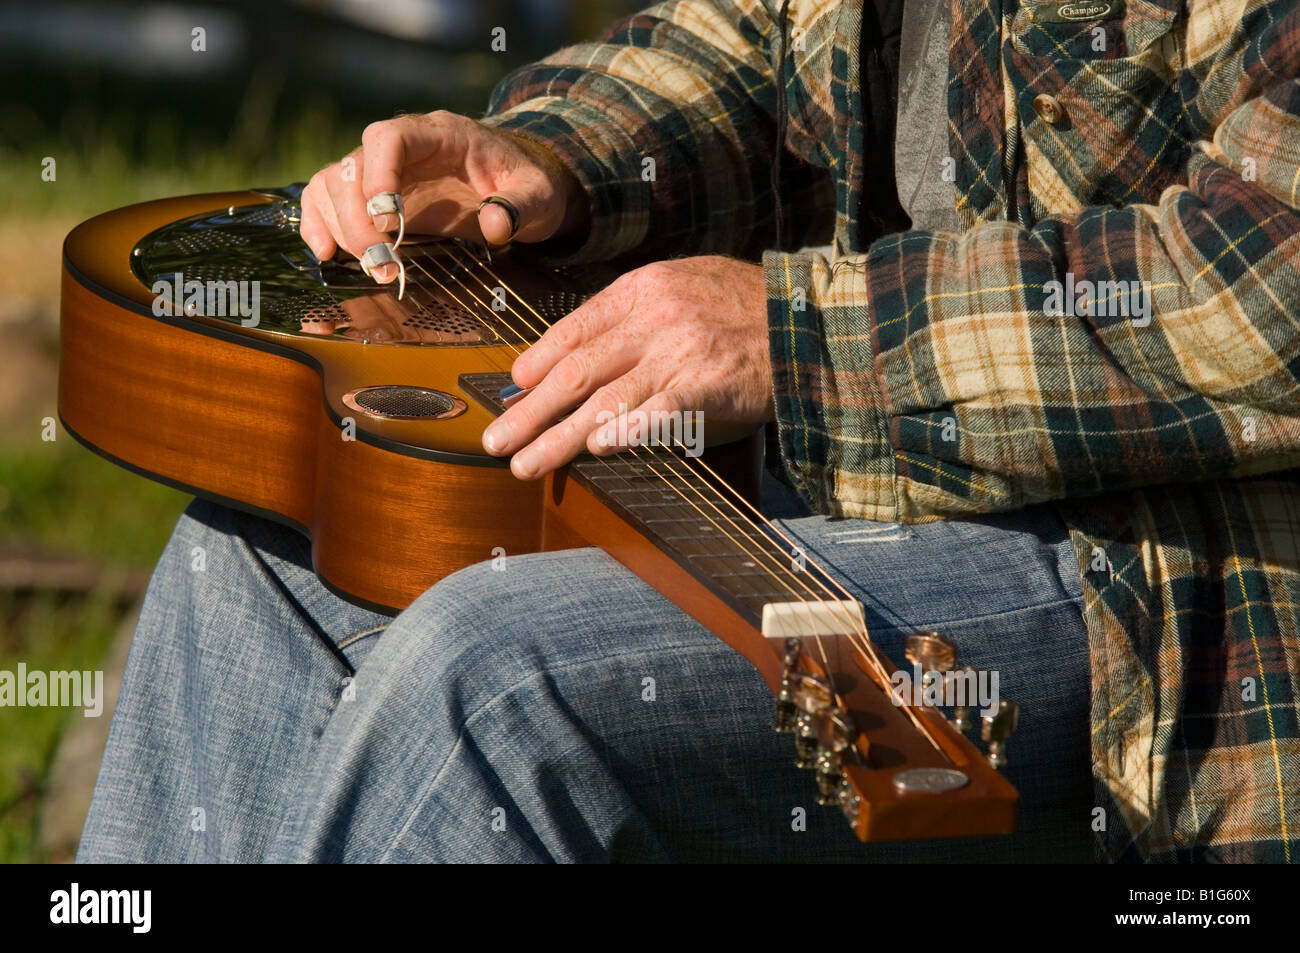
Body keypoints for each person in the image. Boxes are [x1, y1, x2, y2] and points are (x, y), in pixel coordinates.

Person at [79, 0, 1300, 863]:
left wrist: (793, 336)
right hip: (852, 480)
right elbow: (754, 42)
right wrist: (549, 157)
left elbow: (1269, 289)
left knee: (492, 681)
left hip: (1163, 588)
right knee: (253, 564)